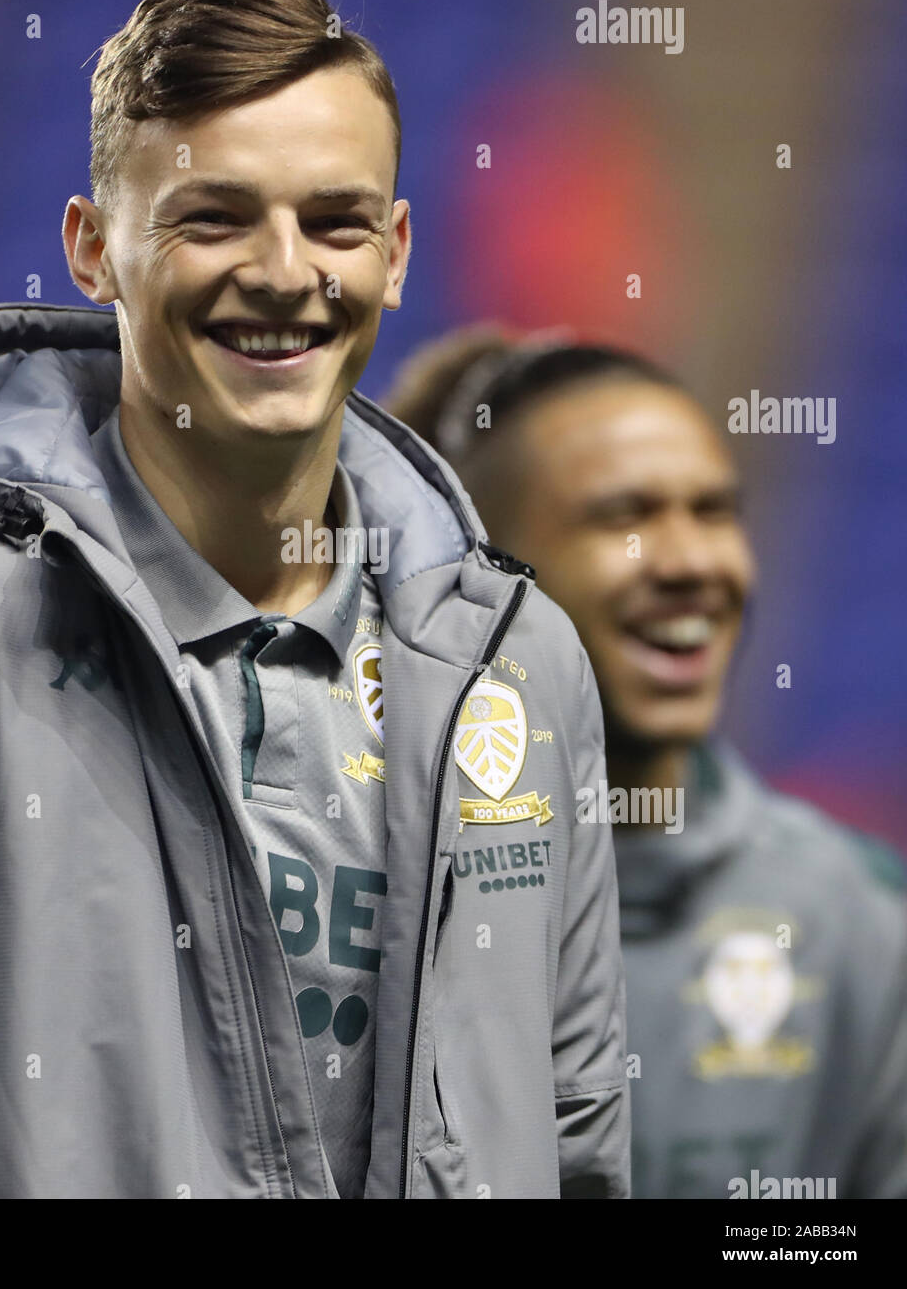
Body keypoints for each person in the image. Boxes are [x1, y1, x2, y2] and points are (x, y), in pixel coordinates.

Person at [0, 0, 628, 1199]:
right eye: (214, 217)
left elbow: (579, 1143)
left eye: (333, 223)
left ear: (393, 255)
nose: (283, 273)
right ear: (92, 249)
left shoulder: (516, 662)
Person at [384, 327, 907, 1198]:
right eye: (622, 518)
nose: (691, 563)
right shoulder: (362, 893)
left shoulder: (857, 918)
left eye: (713, 511)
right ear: (475, 574)